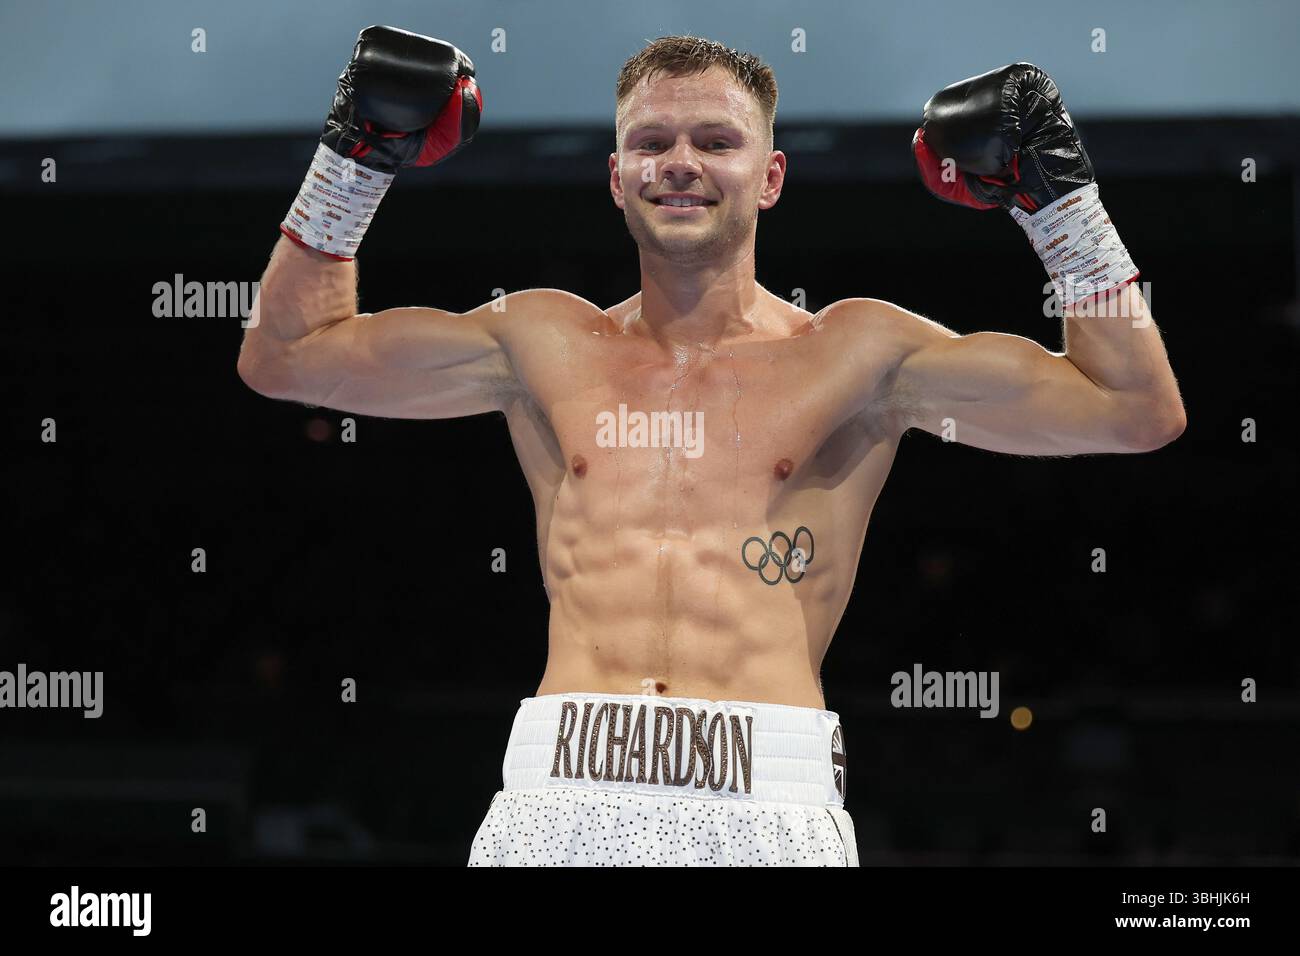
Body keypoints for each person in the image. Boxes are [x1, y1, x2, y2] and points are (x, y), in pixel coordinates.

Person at [238, 27, 1186, 866]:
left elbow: (1132, 409)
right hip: (560, 792)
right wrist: (352, 162)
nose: (679, 161)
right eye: (650, 142)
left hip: (765, 795)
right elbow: (287, 358)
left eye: (716, 142)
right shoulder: (540, 342)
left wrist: (1059, 202)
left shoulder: (861, 354)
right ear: (616, 179)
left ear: (770, 177)